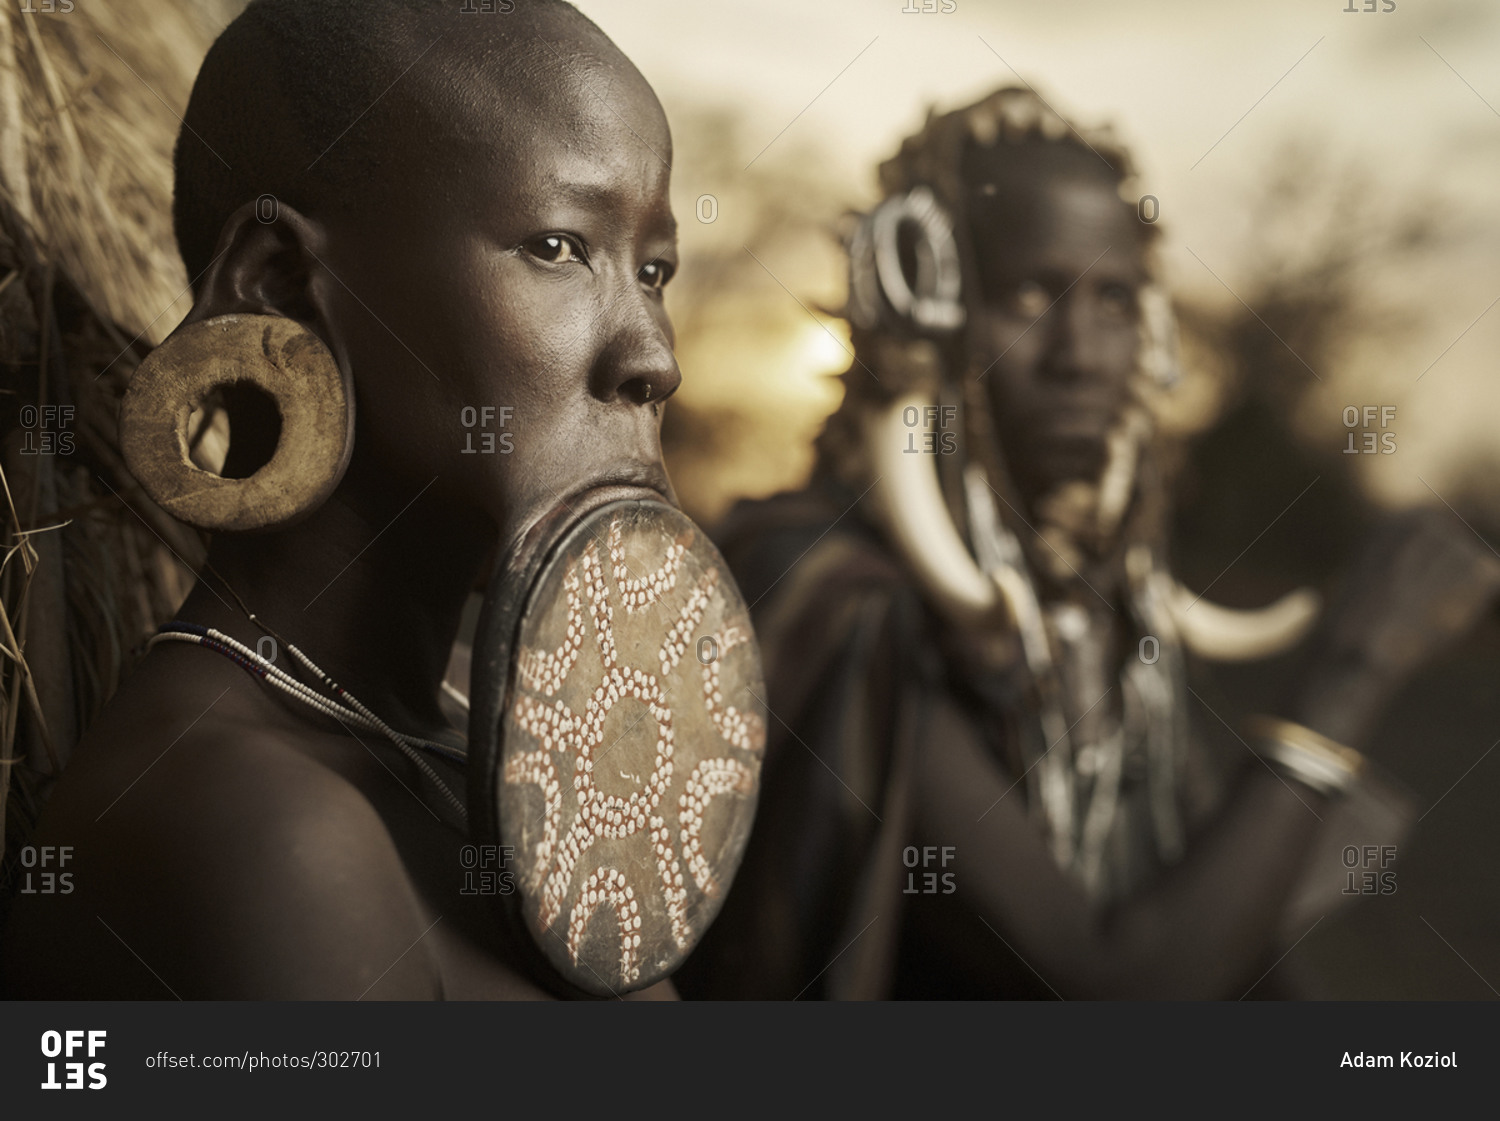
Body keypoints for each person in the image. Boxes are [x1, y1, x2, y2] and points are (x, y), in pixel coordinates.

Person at [675, 87, 1500, 1000]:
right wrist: (1350, 672)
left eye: (1114, 300)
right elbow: (1117, 984)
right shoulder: (823, 588)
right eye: (1028, 293)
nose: (1080, 353)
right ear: (924, 315)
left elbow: (1226, 933)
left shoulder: (1105, 600)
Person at [3, 0, 690, 999]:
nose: (656, 358)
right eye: (558, 246)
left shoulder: (481, 744)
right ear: (280, 283)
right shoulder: (257, 830)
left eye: (655, 269)